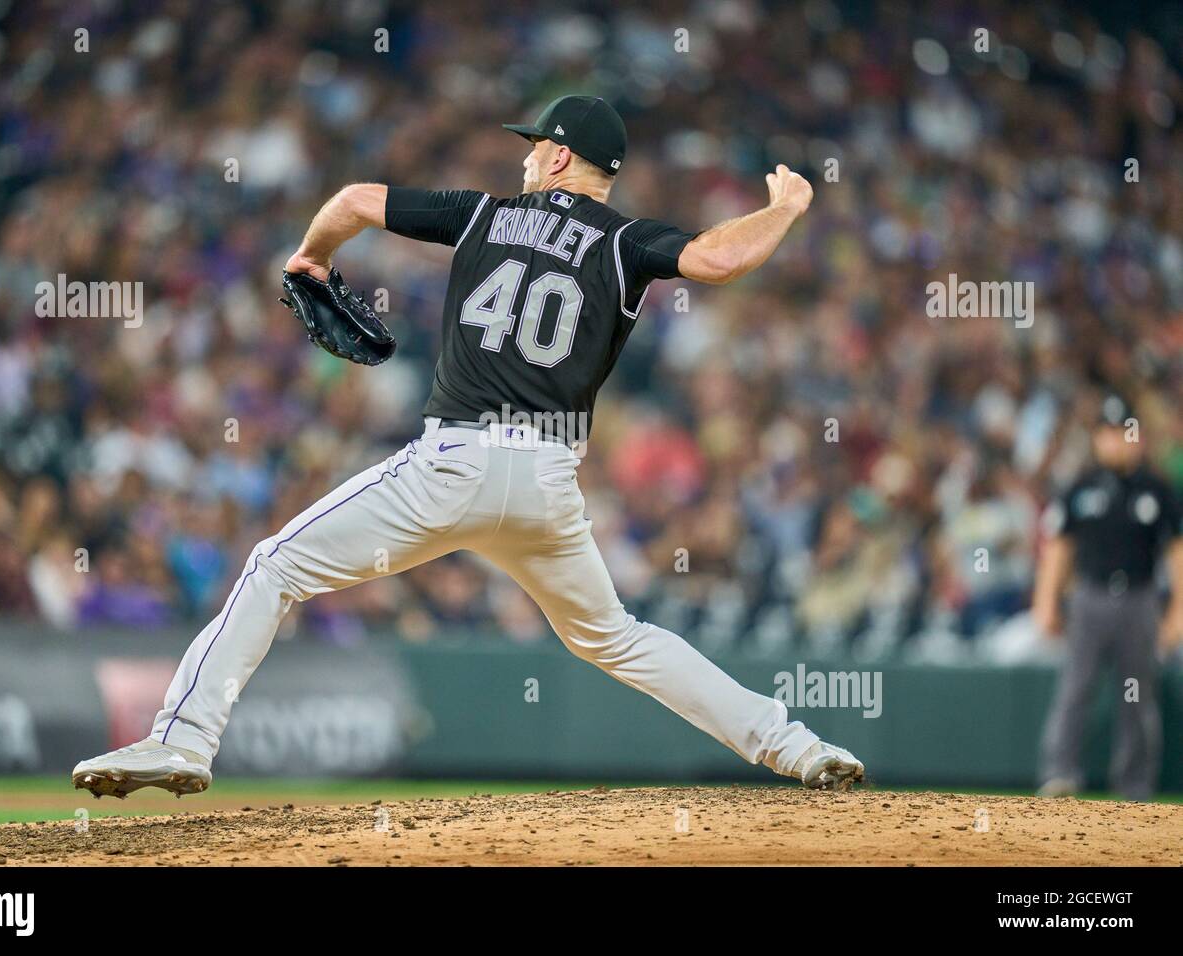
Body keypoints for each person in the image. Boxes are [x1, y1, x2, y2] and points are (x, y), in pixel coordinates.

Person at [72, 95, 864, 797]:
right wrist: (788, 205)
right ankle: (797, 746)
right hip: (549, 483)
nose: (524, 154)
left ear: (558, 155)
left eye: (533, 143)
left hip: (454, 463)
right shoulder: (627, 242)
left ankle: (182, 740)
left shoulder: (481, 214)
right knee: (617, 637)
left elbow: (351, 199)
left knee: (275, 566)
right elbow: (722, 257)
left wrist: (310, 256)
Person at [1032, 394, 1183, 800]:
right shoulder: (1080, 488)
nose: (1114, 441)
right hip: (1090, 598)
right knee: (1075, 689)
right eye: (1107, 433)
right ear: (1097, 438)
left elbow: (1177, 553)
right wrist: (1045, 601)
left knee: (1137, 697)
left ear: (1135, 437)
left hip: (1140, 601)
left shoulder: (1157, 491)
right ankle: (1059, 774)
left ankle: (1134, 786)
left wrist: (1177, 614)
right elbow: (1058, 548)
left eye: (1122, 433)